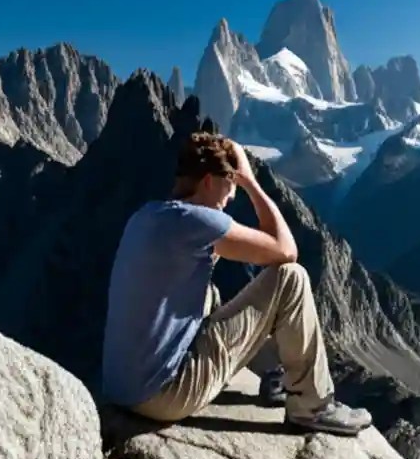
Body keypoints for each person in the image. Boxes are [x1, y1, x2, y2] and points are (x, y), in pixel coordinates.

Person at [101, 132, 372, 435]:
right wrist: (250, 183)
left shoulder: (146, 215)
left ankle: (279, 378)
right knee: (291, 278)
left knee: (208, 292)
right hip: (162, 397)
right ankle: (312, 407)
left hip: (120, 388)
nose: (231, 198)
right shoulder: (198, 221)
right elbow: (286, 251)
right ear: (208, 181)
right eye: (230, 187)